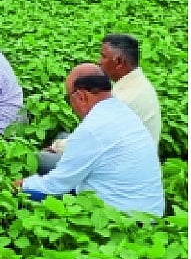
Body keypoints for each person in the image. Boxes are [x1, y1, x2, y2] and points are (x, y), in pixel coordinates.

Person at [16, 63, 164, 216]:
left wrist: (21, 185)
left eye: (68, 99)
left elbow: (57, 184)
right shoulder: (123, 112)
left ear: (81, 96)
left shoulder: (93, 128)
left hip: (122, 218)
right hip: (150, 212)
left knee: (31, 190)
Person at [38, 34, 163, 173]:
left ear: (119, 62)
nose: (99, 61)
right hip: (126, 156)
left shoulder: (126, 98)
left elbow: (92, 138)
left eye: (103, 57)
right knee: (62, 137)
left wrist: (56, 148)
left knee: (41, 159)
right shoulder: (136, 84)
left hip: (121, 169)